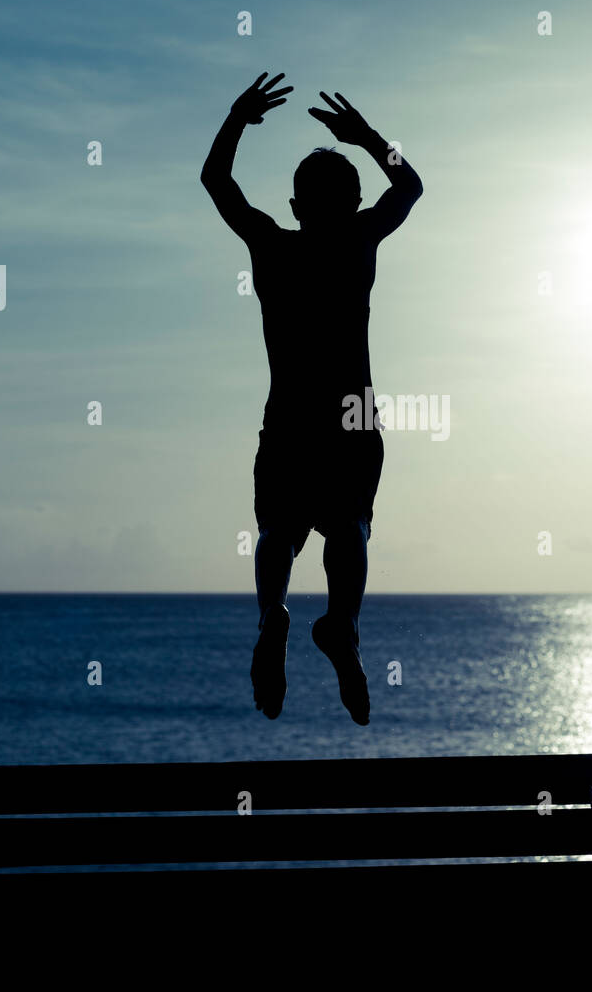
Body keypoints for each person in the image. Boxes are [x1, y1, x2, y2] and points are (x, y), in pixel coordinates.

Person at [200, 73, 423, 725]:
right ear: (354, 204)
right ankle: (343, 625)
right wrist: (366, 137)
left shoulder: (272, 246)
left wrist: (238, 118)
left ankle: (274, 615)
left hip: (289, 418)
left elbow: (218, 182)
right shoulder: (358, 243)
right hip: (351, 417)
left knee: (277, 529)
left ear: (295, 207)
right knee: (349, 525)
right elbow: (409, 188)